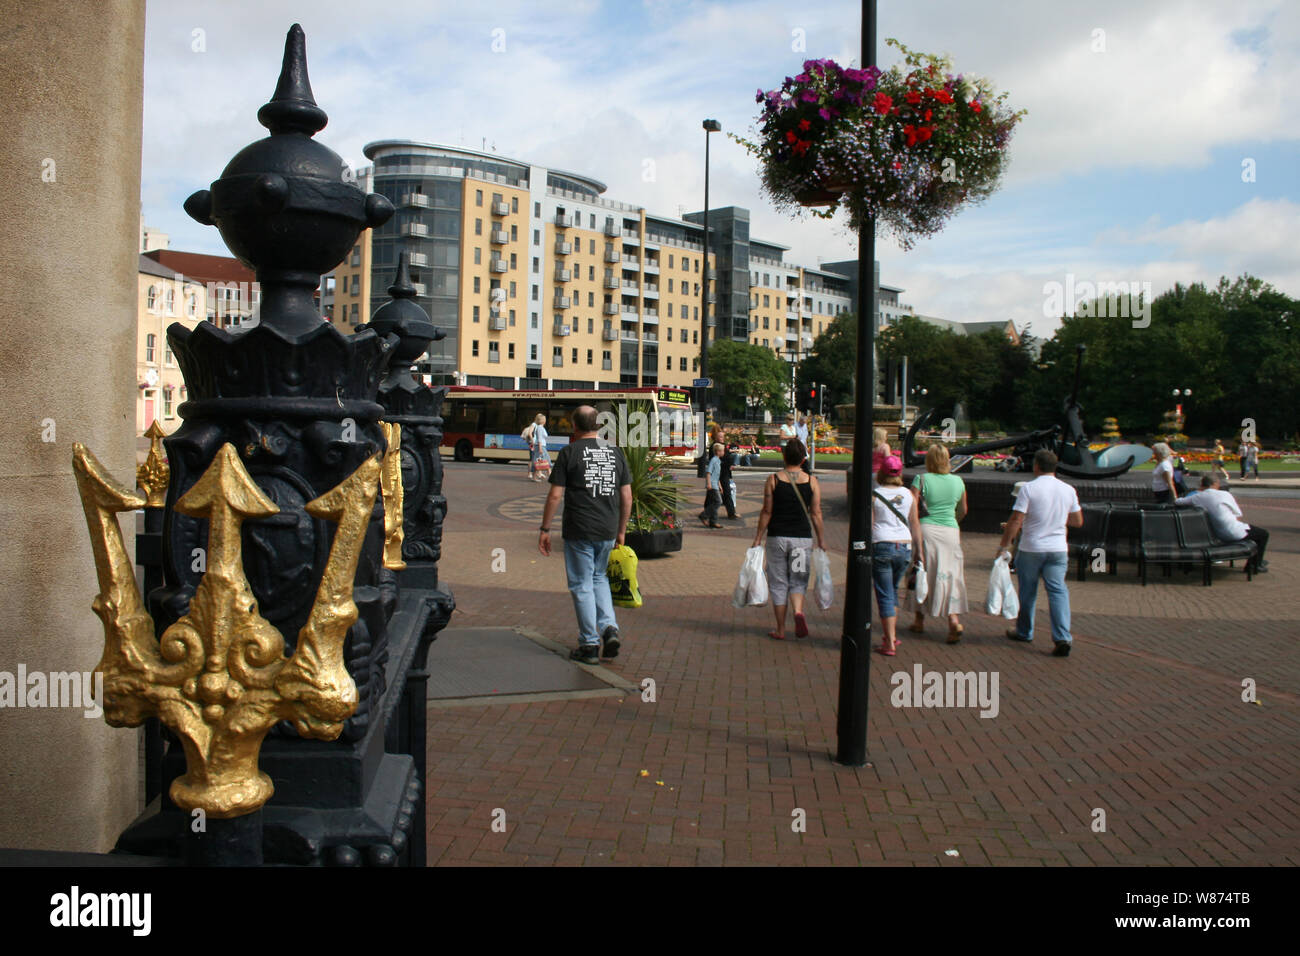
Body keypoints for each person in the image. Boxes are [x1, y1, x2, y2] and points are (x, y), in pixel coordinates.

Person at [539, 405, 632, 664]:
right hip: (607, 529)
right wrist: (621, 530)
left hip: (579, 529)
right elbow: (627, 496)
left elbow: (555, 495)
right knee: (599, 578)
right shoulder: (615, 453)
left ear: (574, 426)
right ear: (598, 426)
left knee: (581, 585)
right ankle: (609, 628)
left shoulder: (569, 452)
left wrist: (545, 529)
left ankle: (589, 644)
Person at [999, 449, 1082, 657]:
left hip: (1032, 547)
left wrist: (1004, 545)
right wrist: (1058, 519)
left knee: (1028, 592)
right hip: (1058, 548)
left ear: (1036, 466)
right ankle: (1062, 636)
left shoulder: (1028, 489)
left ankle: (1025, 631)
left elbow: (1016, 519)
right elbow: (1077, 521)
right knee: (1058, 591)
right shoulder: (1068, 489)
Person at [752, 439, 825, 640]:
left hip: (777, 537)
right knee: (798, 579)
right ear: (803, 459)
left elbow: (767, 511)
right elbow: (816, 513)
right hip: (802, 538)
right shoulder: (812, 481)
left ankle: (781, 629)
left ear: (784, 456)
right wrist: (821, 539)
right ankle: (798, 611)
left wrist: (758, 537)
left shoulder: (773, 479)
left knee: (778, 582)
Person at [908, 444, 969, 643]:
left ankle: (919, 619)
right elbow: (963, 510)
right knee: (949, 574)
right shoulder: (958, 481)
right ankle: (953, 620)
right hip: (951, 531)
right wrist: (953, 522)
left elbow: (911, 506)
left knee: (921, 571)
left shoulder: (922, 479)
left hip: (926, 529)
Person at [871, 455, 923, 656]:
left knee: (884, 593)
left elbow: (870, 524)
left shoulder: (875, 495)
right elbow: (915, 523)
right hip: (904, 546)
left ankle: (889, 642)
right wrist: (919, 551)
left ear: (882, 472)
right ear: (899, 473)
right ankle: (891, 636)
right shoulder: (909, 494)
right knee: (892, 590)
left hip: (881, 544)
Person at [1178, 474, 1269, 572]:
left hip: (1215, 533)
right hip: (1232, 531)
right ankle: (1254, 564)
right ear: (1216, 484)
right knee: (1263, 534)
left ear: (1203, 484)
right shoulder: (1225, 494)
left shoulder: (1197, 497)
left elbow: (1178, 501)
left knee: (1255, 533)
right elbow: (1238, 514)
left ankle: (1256, 561)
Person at [698, 442, 724, 528]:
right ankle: (704, 515)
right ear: (718, 451)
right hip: (712, 485)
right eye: (722, 451)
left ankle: (713, 521)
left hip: (715, 484)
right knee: (718, 502)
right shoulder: (713, 460)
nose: (723, 452)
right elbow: (708, 473)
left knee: (712, 503)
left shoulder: (718, 461)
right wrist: (709, 484)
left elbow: (717, 475)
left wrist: (720, 485)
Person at [526, 412, 549, 482]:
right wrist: (533, 441)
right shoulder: (535, 424)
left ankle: (538, 473)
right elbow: (530, 433)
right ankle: (531, 474)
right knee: (534, 459)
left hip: (538, 444)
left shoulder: (540, 426)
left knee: (538, 459)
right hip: (536, 444)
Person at [720, 439, 738, 519]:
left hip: (725, 475)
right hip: (722, 476)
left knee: (726, 494)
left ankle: (731, 513)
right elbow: (710, 472)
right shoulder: (716, 460)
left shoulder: (722, 449)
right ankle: (705, 515)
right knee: (718, 498)